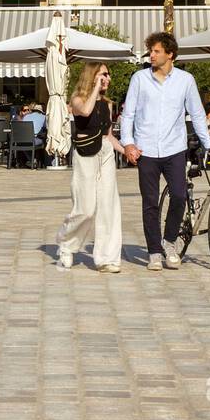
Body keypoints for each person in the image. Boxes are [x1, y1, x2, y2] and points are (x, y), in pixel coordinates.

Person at [121, 32, 210, 272]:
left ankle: (169, 242)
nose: (151, 55)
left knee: (179, 196)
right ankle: (153, 251)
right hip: (146, 149)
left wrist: (209, 145)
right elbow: (128, 114)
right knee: (150, 203)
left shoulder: (185, 80)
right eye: (150, 51)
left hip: (174, 148)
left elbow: (197, 114)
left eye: (156, 51)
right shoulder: (139, 79)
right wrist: (128, 143)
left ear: (170, 54)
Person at [56, 63, 125, 272]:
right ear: (93, 76)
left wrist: (127, 152)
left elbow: (108, 136)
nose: (108, 78)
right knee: (86, 208)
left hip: (104, 153)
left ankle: (107, 258)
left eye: (108, 75)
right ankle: (67, 244)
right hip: (85, 155)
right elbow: (85, 112)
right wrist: (95, 88)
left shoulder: (108, 104)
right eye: (104, 74)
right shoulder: (77, 99)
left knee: (108, 205)